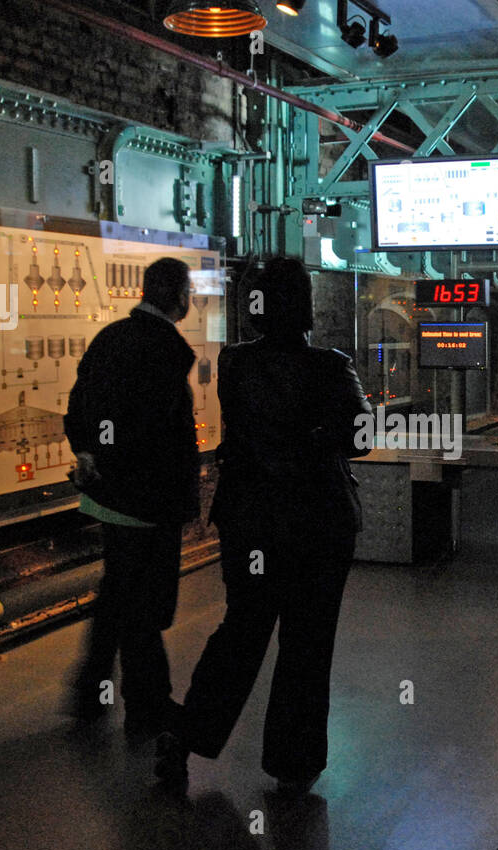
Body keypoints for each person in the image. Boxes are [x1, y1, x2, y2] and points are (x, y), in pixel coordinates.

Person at [156, 257, 372, 795]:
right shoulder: (331, 366)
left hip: (252, 521)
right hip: (319, 525)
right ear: (306, 308)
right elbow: (361, 438)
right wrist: (319, 434)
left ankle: (185, 736)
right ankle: (293, 764)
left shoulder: (235, 363)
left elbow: (256, 426)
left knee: (243, 633)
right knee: (307, 644)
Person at [62, 257, 200, 742]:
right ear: (178, 295)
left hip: (107, 498)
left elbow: (79, 406)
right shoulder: (165, 350)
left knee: (119, 589)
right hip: (148, 503)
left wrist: (89, 454)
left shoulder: (109, 339)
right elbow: (161, 436)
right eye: (188, 291)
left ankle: (89, 690)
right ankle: (148, 709)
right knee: (145, 606)